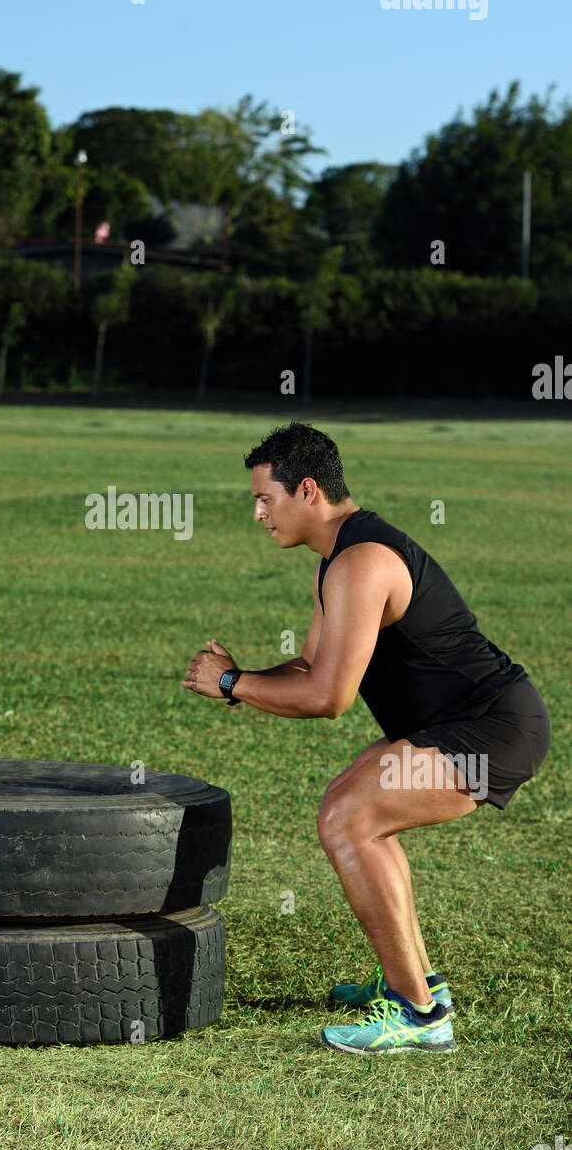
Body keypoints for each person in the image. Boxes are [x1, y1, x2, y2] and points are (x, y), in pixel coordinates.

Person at [181, 422, 552, 1054]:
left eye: (264, 499)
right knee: (350, 803)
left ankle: (418, 1015)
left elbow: (329, 698)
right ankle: (418, 980)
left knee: (349, 818)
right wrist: (241, 680)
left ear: (307, 490)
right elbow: (309, 667)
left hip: (493, 731)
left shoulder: (362, 561)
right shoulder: (338, 558)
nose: (257, 513)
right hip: (460, 725)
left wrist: (233, 683)